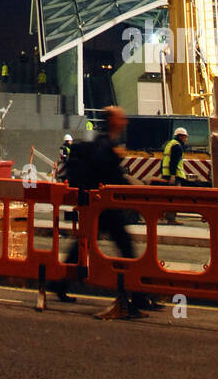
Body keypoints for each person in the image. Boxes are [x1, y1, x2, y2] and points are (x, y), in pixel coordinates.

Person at [52, 106, 149, 306]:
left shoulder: (106, 143)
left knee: (83, 244)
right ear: (113, 121)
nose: (125, 122)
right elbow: (108, 174)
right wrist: (128, 184)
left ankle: (61, 284)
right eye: (121, 119)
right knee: (126, 249)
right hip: (105, 207)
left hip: (101, 207)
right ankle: (138, 295)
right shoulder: (105, 145)